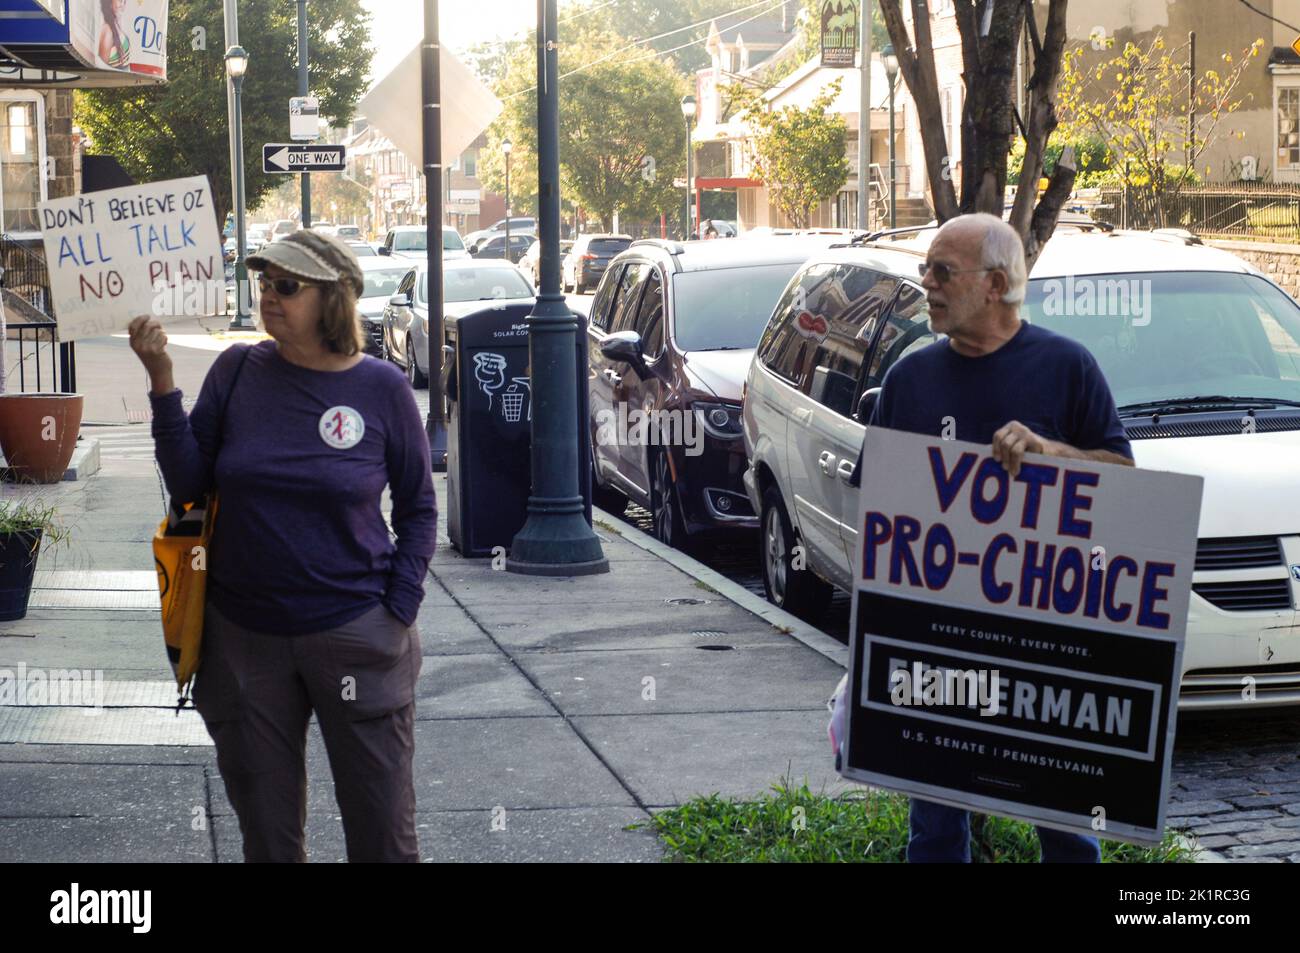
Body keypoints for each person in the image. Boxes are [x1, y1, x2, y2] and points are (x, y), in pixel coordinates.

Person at [128, 230, 437, 862]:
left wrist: (396, 610)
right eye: (264, 283)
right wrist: (162, 381)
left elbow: (418, 509)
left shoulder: (382, 390)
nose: (269, 296)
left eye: (286, 286)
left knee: (383, 837)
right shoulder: (239, 370)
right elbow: (190, 483)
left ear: (332, 298)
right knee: (268, 840)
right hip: (245, 639)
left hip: (355, 632)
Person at [853, 212, 1134, 863]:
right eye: (926, 268)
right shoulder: (909, 380)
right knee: (936, 831)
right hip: (939, 649)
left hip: (1043, 651)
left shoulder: (1067, 367)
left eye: (942, 271)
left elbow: (1124, 485)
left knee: (1064, 829)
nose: (925, 282)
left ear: (997, 284)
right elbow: (881, 515)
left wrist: (1049, 452)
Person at [98, 0, 131, 69]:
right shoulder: (107, 31)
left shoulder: (115, 23)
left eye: (124, 1)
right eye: (120, 0)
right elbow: (102, 69)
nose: (122, 5)